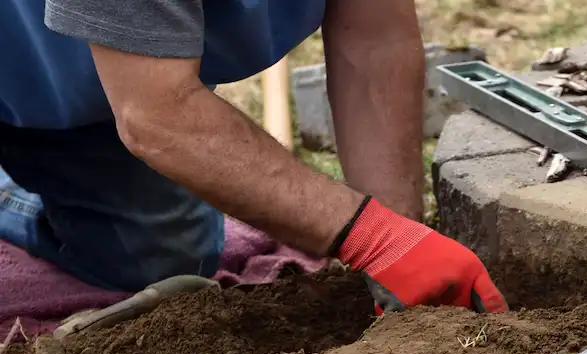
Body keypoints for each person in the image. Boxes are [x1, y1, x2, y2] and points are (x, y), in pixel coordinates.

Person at [0, 0, 508, 314]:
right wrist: (370, 236)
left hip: (91, 86)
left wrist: (399, 243)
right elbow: (159, 116)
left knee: (156, 256)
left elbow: (377, 40)